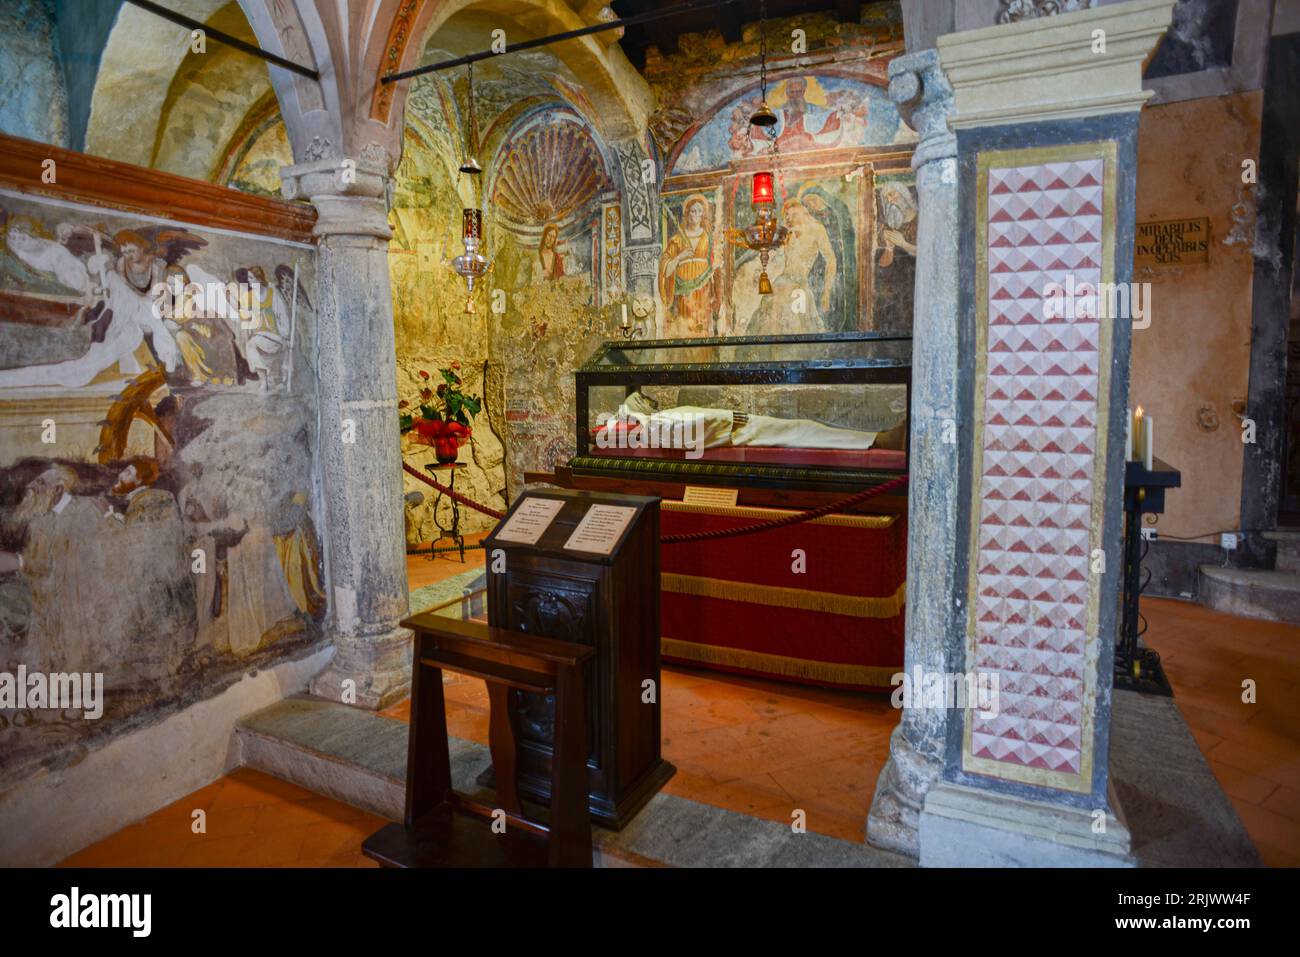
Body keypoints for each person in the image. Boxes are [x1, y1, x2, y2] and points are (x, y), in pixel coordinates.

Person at [658, 195, 715, 337]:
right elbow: (664, 269)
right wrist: (679, 257)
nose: (695, 215)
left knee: (702, 328)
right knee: (684, 327)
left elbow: (716, 262)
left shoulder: (708, 238)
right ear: (687, 214)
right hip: (683, 291)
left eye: (699, 211)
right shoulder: (677, 240)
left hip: (704, 289)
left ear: (703, 215)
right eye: (692, 211)